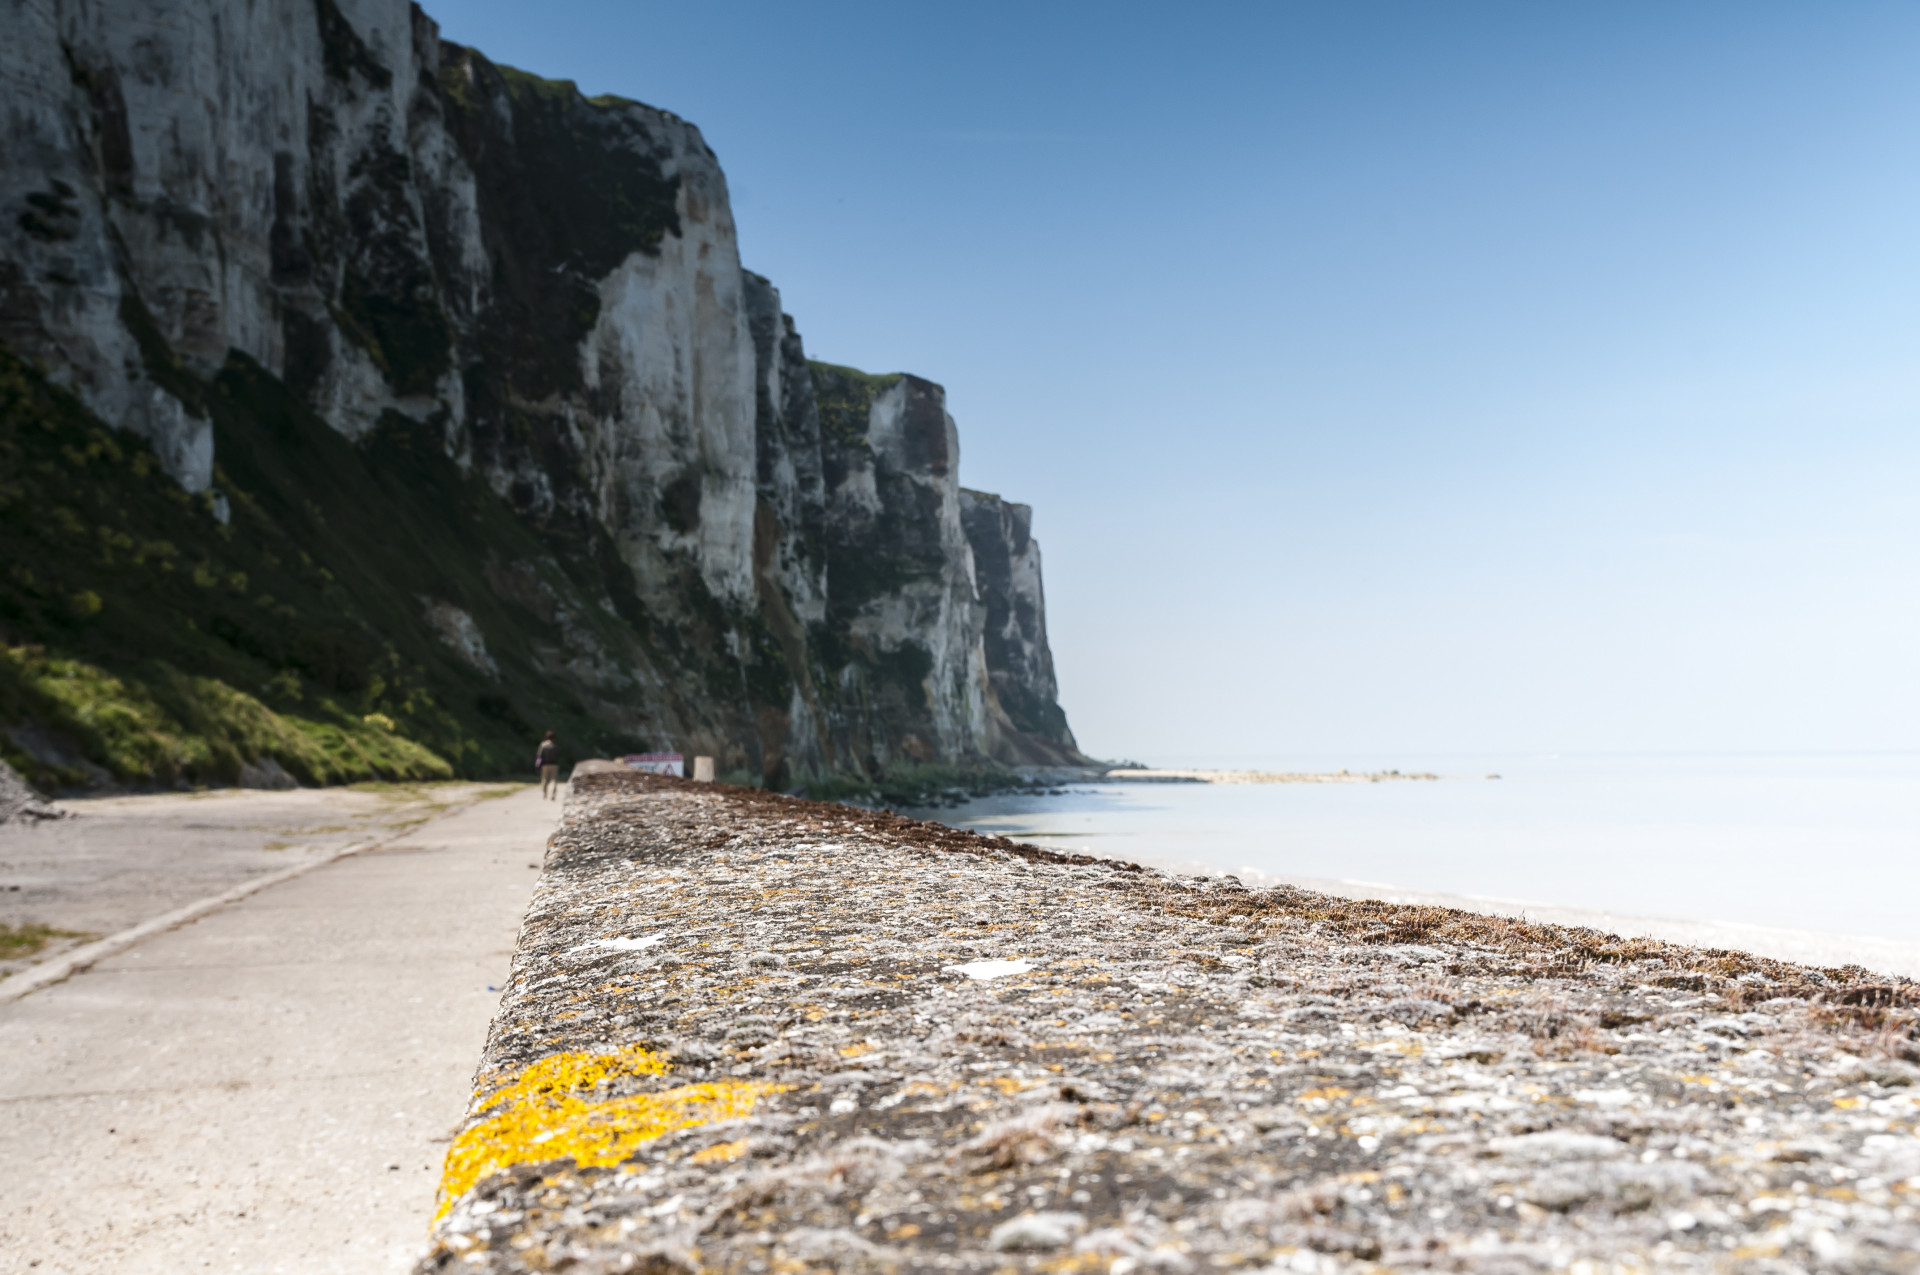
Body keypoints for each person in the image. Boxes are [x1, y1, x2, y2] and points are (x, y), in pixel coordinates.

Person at [536, 731, 561, 800]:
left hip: (545, 765)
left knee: (544, 779)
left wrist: (538, 765)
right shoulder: (555, 746)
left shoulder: (543, 745)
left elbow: (539, 755)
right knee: (553, 780)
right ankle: (552, 795)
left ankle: (545, 794)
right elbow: (558, 756)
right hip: (554, 765)